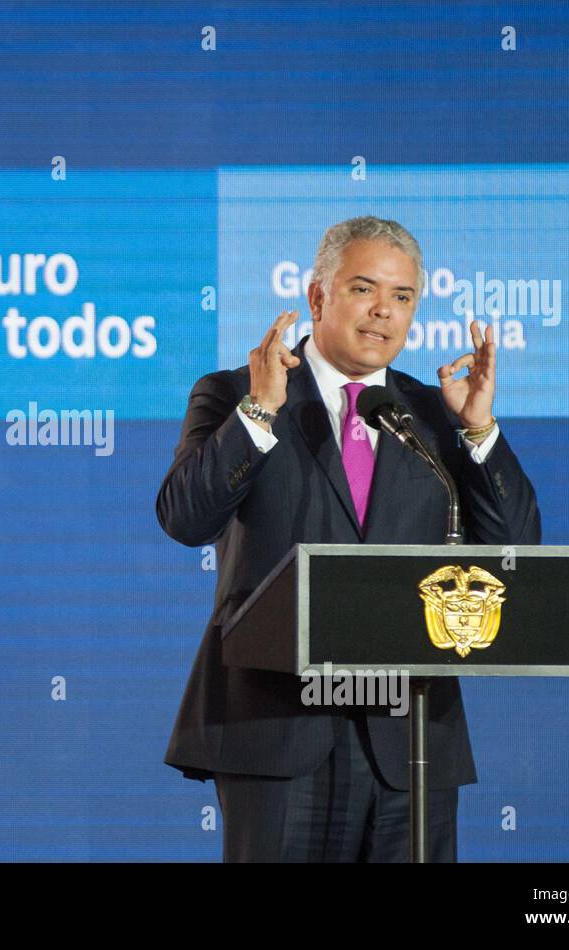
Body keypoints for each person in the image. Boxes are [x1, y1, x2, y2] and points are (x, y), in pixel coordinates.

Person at [156, 216, 541, 862]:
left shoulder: (432, 414)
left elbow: (512, 553)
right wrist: (258, 414)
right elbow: (184, 519)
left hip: (409, 739)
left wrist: (478, 431)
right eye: (364, 289)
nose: (383, 313)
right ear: (317, 297)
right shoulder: (235, 395)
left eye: (402, 297)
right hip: (277, 734)